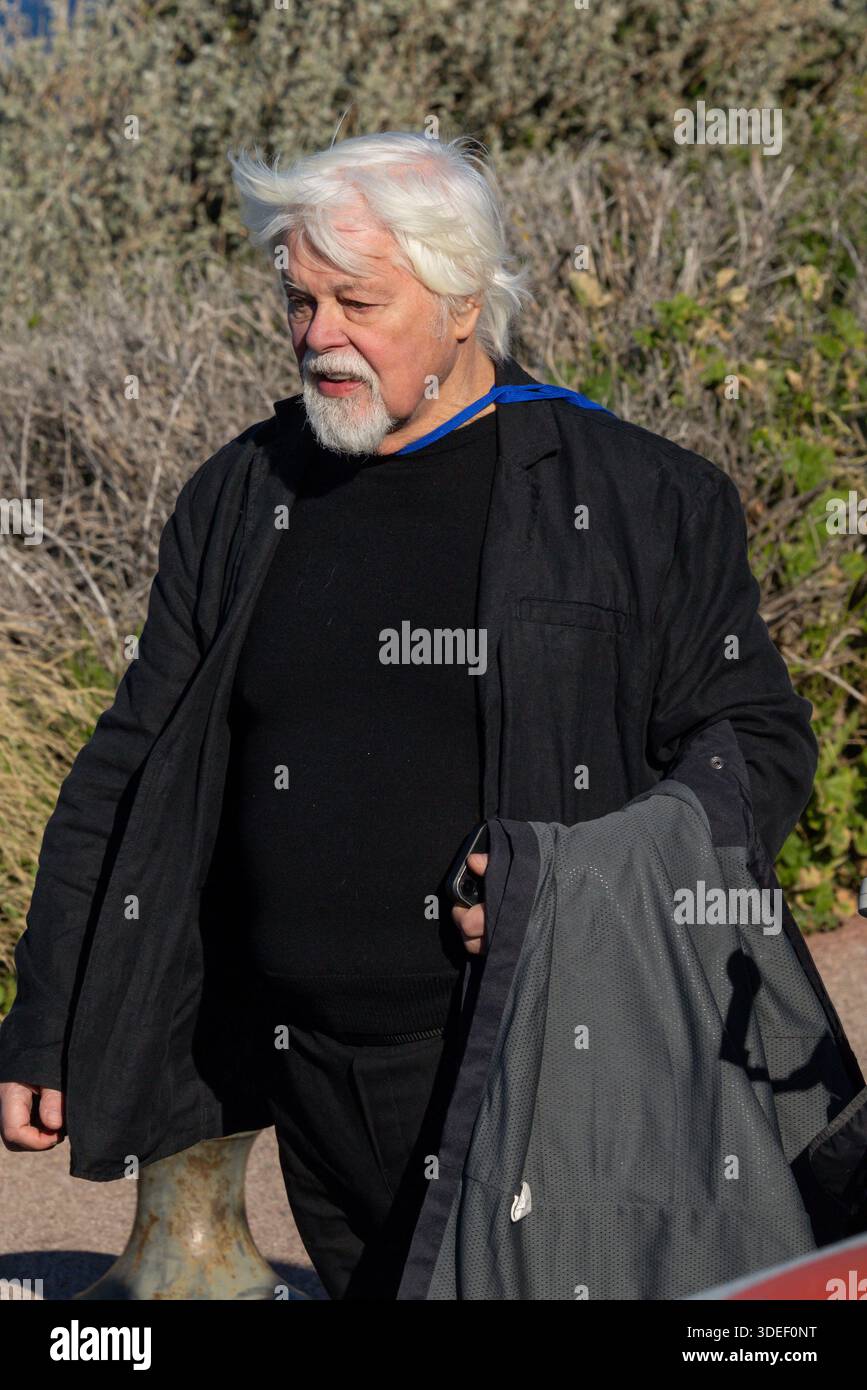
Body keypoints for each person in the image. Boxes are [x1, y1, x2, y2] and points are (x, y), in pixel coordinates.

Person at [0, 131, 818, 1300]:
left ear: (462, 301)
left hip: (541, 1063)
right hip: (311, 1081)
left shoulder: (640, 500)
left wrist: (567, 879)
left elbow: (762, 746)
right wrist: (47, 1015)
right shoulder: (242, 496)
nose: (317, 334)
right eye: (299, 299)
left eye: (357, 301)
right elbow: (133, 759)